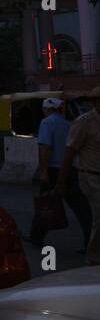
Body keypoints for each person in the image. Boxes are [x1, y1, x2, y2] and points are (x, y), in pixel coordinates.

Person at [32, 97, 92, 247]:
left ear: (46, 109)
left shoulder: (46, 123)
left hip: (53, 169)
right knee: (81, 208)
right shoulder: (69, 124)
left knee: (45, 204)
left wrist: (44, 170)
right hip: (69, 169)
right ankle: (90, 239)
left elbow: (46, 147)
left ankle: (37, 237)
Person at [57, 86, 100, 264]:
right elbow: (70, 152)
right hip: (92, 177)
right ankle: (94, 257)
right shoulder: (84, 122)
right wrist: (61, 181)